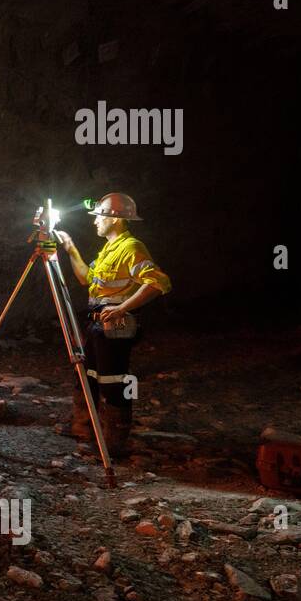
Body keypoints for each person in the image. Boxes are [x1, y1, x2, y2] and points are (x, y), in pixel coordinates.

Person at [53, 193, 171, 454]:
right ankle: (84, 428)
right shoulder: (109, 249)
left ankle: (115, 443)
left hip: (114, 328)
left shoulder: (131, 248)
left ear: (115, 220)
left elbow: (158, 282)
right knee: (87, 375)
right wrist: (70, 247)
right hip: (97, 325)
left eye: (99, 217)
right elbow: (86, 279)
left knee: (114, 382)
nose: (95, 221)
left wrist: (122, 308)